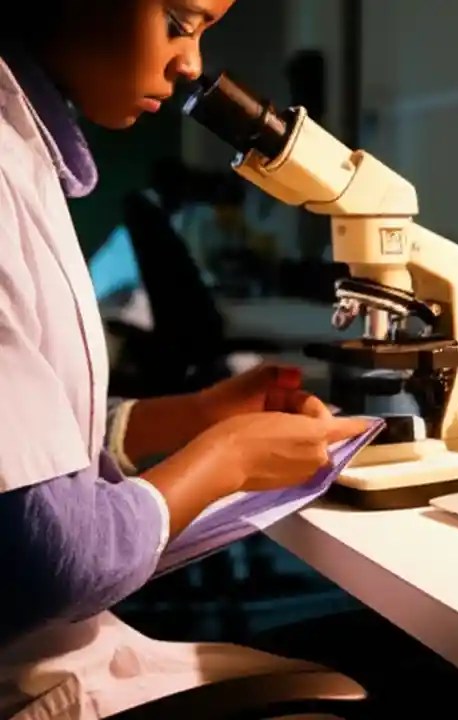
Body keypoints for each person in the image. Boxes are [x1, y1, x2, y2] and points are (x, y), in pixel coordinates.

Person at [0, 2, 380, 717]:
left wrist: (194, 416)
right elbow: (49, 562)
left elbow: (29, 448)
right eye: (180, 21)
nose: (193, 64)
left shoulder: (24, 154)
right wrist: (227, 459)